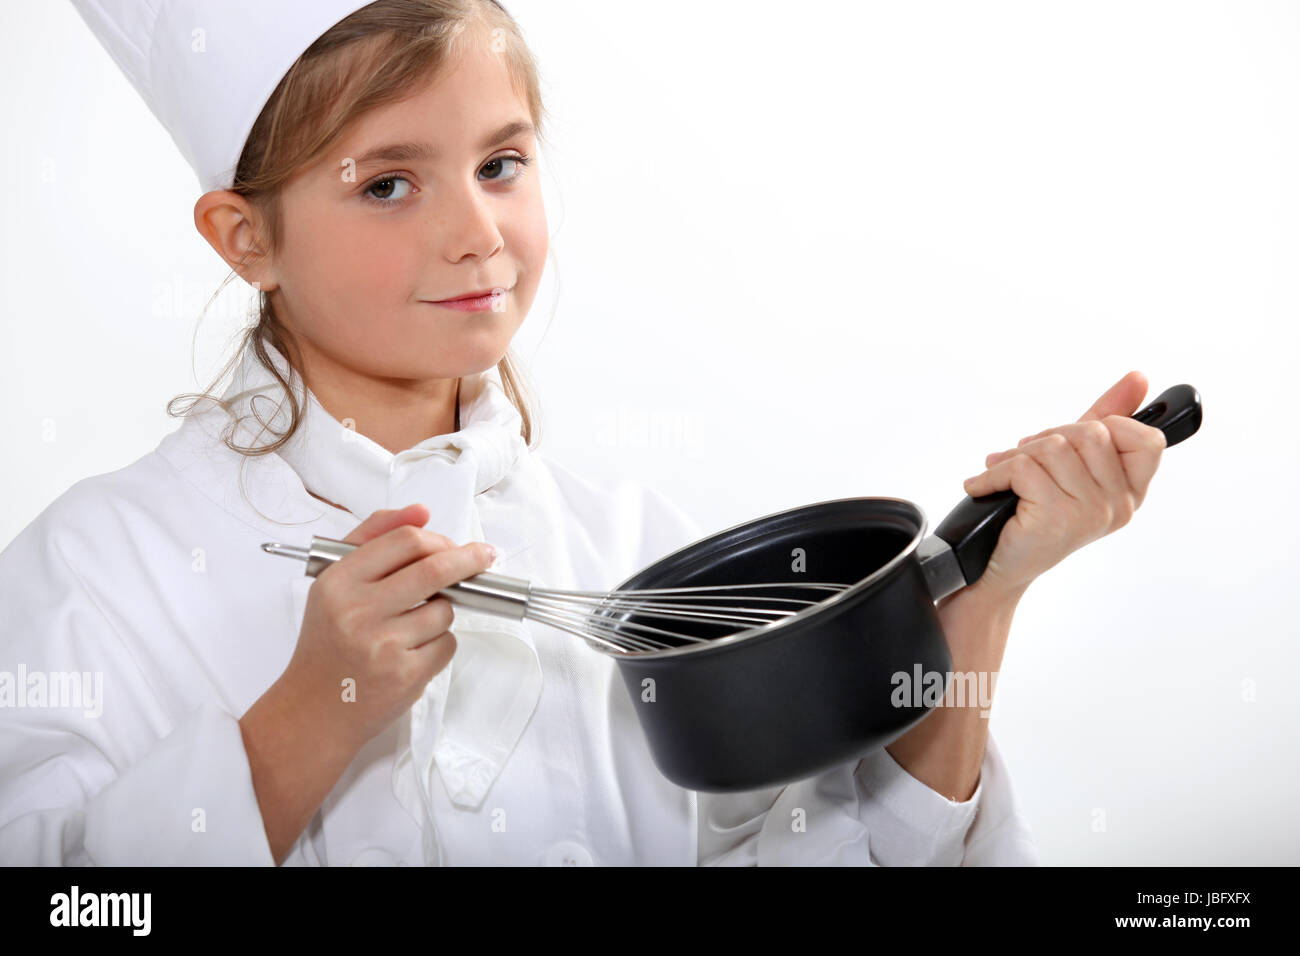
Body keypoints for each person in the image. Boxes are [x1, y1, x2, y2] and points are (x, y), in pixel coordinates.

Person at [0, 0, 1167, 866]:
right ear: (243, 238)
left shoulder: (639, 561)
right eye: (389, 184)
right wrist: (307, 717)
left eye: (500, 162)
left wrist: (967, 618)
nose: (477, 233)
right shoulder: (98, 569)